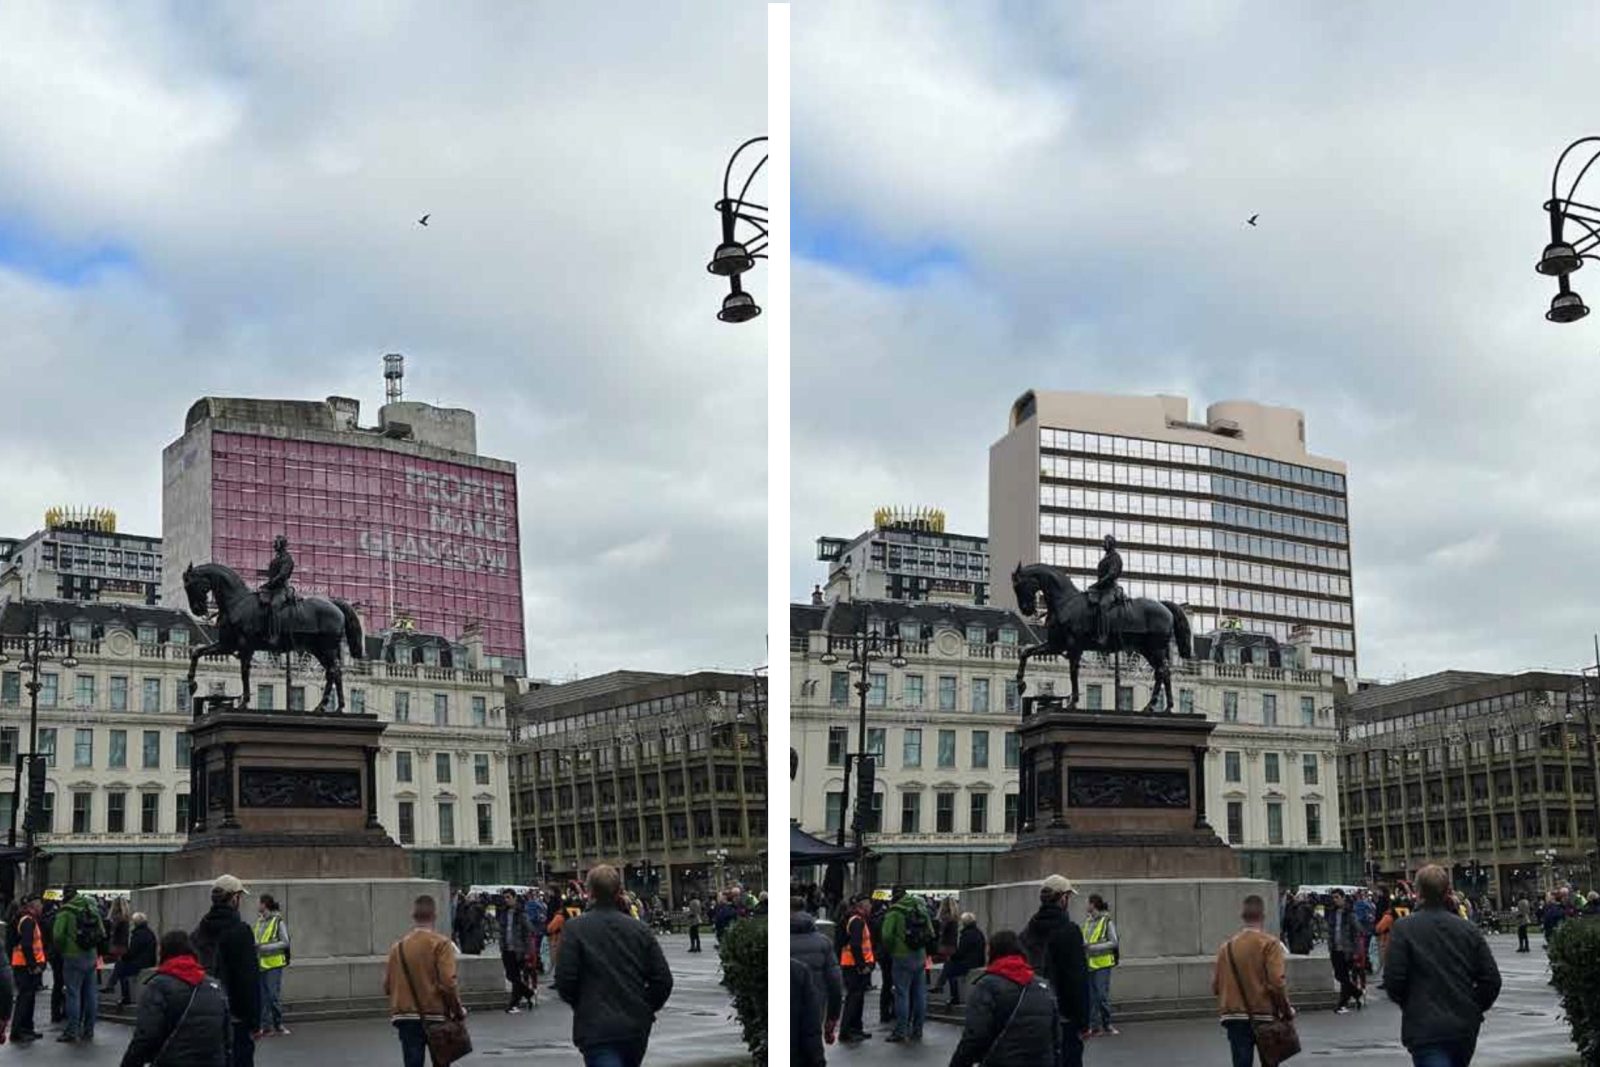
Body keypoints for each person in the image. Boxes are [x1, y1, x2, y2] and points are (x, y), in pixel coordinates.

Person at [554, 864, 674, 1067]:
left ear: (589, 892)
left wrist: (582, 1004)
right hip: (634, 1026)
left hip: (596, 1025)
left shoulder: (575, 929)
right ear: (619, 891)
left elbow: (565, 979)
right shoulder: (639, 929)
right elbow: (662, 979)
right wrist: (645, 1007)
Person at [1385, 864, 1502, 1067]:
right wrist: (1473, 1007)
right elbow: (1491, 979)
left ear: (1418, 892)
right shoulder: (1467, 929)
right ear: (1447, 891)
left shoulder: (1404, 929)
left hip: (1425, 1025)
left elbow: (1394, 979)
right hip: (1463, 1026)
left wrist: (1411, 1004)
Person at [119, 930, 231, 1067]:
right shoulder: (214, 986)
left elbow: (145, 1036)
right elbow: (227, 1038)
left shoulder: (158, 986)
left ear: (164, 953)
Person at [948, 929, 1059, 1067]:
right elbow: (1055, 1037)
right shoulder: (1042, 986)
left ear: (993, 953)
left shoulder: (987, 986)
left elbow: (974, 1036)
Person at [1214, 894, 1295, 1067]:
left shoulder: (1226, 948)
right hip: (1264, 1014)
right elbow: (1276, 982)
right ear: (1263, 916)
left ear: (1242, 917)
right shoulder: (1270, 944)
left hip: (1234, 1015)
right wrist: (1286, 1010)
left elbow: (1216, 986)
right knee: (1270, 1062)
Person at [384, 895, 465, 1067]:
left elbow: (387, 986)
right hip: (436, 1014)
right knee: (441, 1062)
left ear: (413, 916)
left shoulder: (397, 947)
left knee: (412, 1063)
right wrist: (457, 1010)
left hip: (405, 1015)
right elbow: (448, 983)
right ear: (435, 916)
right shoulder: (441, 944)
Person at [191, 874, 261, 1067]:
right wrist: (254, 1020)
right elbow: (248, 979)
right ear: (234, 898)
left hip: (206, 1012)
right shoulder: (240, 931)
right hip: (235, 1014)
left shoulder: (199, 930)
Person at [1021, 875, 1090, 1067]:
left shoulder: (1029, 930)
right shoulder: (1069, 931)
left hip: (1035, 1012)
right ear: (1063, 898)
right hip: (1064, 1013)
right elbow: (1077, 978)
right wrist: (1083, 1021)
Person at [52, 885, 105, 1043]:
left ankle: (71, 1031)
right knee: (91, 994)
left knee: (73, 993)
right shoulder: (91, 907)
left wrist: (64, 949)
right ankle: (89, 1030)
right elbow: (102, 931)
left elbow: (57, 936)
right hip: (91, 954)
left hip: (73, 955)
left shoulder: (66, 911)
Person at [879, 885, 932, 1043]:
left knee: (902, 993)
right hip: (920, 955)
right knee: (920, 994)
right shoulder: (920, 908)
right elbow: (931, 931)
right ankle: (918, 1030)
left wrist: (893, 948)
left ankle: (901, 1031)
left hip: (901, 956)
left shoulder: (894, 912)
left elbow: (886, 935)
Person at [791, 897, 842, 1052]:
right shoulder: (823, 942)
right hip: (815, 1003)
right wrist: (832, 1017)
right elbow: (835, 982)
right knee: (811, 1045)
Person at [837, 897, 875, 1043]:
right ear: (862, 906)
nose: (871, 906)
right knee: (853, 999)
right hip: (855, 966)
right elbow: (855, 945)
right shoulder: (857, 921)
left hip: (852, 964)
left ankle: (855, 1029)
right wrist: (862, 966)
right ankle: (846, 1031)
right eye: (868, 903)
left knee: (857, 999)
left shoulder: (855, 919)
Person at [9, 895, 46, 1043]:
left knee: (28, 999)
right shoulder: (28, 922)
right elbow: (26, 945)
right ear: (33, 906)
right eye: (40, 904)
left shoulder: (25, 920)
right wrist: (33, 966)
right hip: (26, 966)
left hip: (24, 965)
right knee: (24, 999)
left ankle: (27, 1029)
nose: (42, 907)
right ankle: (17, 1031)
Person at [253, 894, 291, 1037]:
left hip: (274, 963)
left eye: (259, 903)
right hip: (261, 963)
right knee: (263, 996)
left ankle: (278, 1024)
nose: (257, 905)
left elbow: (285, 942)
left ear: (265, 904)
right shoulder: (259, 921)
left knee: (272, 995)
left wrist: (264, 948)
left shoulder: (277, 921)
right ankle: (266, 1026)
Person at [1083, 893, 1120, 1035]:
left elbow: (1114, 942)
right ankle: (1094, 1026)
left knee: (1101, 995)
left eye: (1088, 903)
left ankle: (1107, 1023)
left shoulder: (1106, 921)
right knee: (1091, 997)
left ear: (1093, 904)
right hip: (1090, 963)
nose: (1086, 906)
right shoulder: (1087, 922)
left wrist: (1092, 947)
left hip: (1103, 964)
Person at [497, 888, 534, 1013]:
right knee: (511, 975)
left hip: (518, 949)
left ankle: (514, 1003)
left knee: (516, 976)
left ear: (514, 898)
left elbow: (528, 933)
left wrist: (528, 951)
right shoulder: (503, 912)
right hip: (507, 948)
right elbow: (501, 931)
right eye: (505, 897)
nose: (506, 900)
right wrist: (501, 945)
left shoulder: (521, 913)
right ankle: (528, 993)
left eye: (508, 897)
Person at [111, 913, 158, 1008]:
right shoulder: (149, 933)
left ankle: (123, 994)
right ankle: (111, 984)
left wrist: (123, 957)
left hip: (140, 962)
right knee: (121, 965)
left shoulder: (138, 934)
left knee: (122, 969)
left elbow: (132, 952)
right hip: (148, 961)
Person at [1326, 888, 1361, 1014]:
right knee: (1339, 975)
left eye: (1337, 897)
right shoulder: (1332, 913)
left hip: (1347, 949)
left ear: (1343, 898)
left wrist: (1356, 950)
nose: (1335, 900)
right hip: (1335, 948)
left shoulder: (1350, 913)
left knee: (1344, 976)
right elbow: (1330, 930)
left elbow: (1357, 932)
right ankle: (1356, 992)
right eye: (1333, 897)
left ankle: (1342, 1003)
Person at [259, 533, 296, 649]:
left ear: (281, 545)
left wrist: (269, 584)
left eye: (276, 543)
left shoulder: (287, 559)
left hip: (281, 589)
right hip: (272, 588)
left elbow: (282, 575)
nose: (274, 545)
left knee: (275, 606)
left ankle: (275, 636)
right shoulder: (277, 558)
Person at [1087, 534, 1124, 646]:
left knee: (1103, 606)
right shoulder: (1106, 556)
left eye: (1104, 542)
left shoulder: (1115, 557)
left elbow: (1112, 574)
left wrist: (1098, 583)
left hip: (1110, 589)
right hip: (1101, 589)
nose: (1102, 544)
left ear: (1110, 544)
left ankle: (1103, 636)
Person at [942, 913, 985, 1009]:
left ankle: (954, 996)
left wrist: (952, 956)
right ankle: (940, 984)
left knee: (950, 970)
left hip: (969, 963)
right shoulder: (978, 932)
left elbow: (961, 952)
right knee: (949, 965)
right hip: (977, 961)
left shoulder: (966, 934)